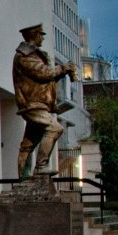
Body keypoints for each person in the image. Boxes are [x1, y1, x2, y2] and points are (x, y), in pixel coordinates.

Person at [12, 24, 77, 177]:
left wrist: (63, 71)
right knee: (55, 128)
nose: (43, 37)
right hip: (32, 104)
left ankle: (24, 178)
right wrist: (63, 68)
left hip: (38, 103)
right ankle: (41, 167)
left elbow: (45, 79)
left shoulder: (33, 55)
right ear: (35, 35)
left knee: (29, 143)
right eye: (42, 34)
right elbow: (43, 74)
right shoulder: (25, 56)